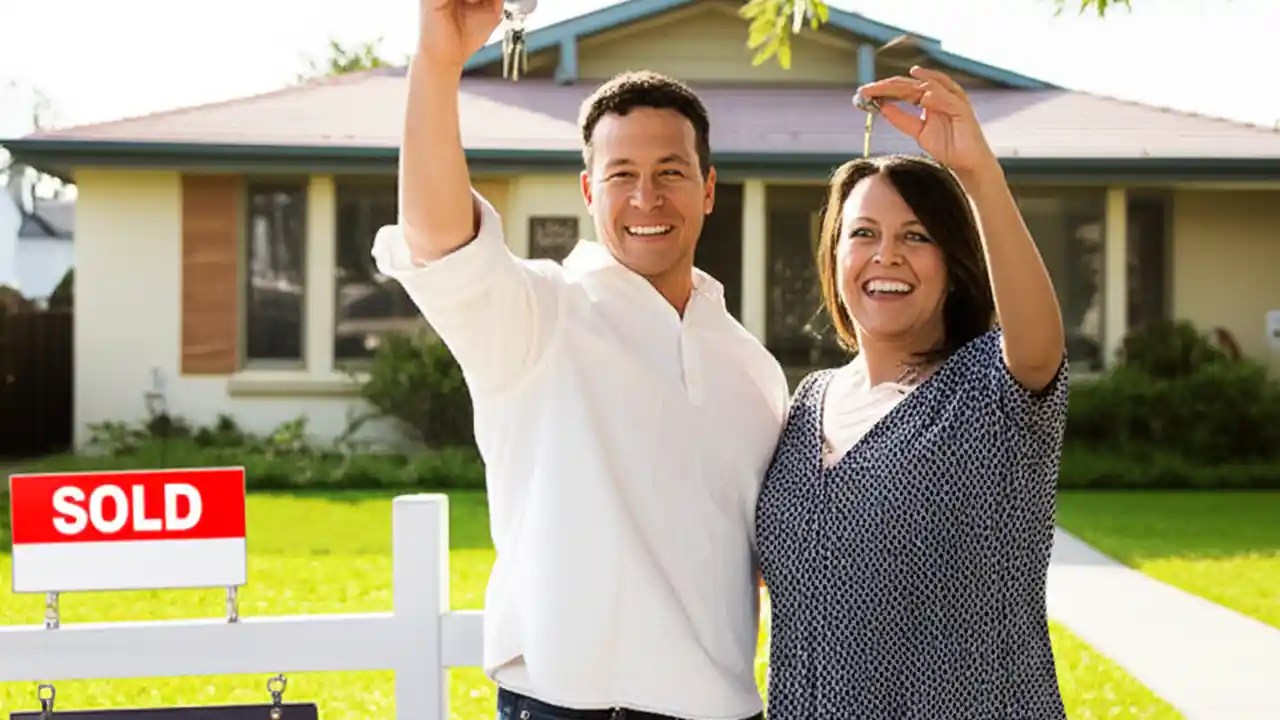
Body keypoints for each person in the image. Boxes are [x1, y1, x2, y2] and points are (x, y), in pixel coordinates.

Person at [371, 2, 788, 719]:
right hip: (564, 709)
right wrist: (437, 63)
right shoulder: (536, 316)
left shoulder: (754, 369)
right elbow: (439, 235)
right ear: (590, 190)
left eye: (671, 172)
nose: (646, 197)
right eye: (621, 173)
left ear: (709, 189)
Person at [755, 66, 1071, 719]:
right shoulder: (807, 404)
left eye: (916, 237)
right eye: (863, 234)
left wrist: (980, 174)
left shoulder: (993, 389)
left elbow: (1040, 344)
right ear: (835, 257)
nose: (886, 256)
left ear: (954, 266)